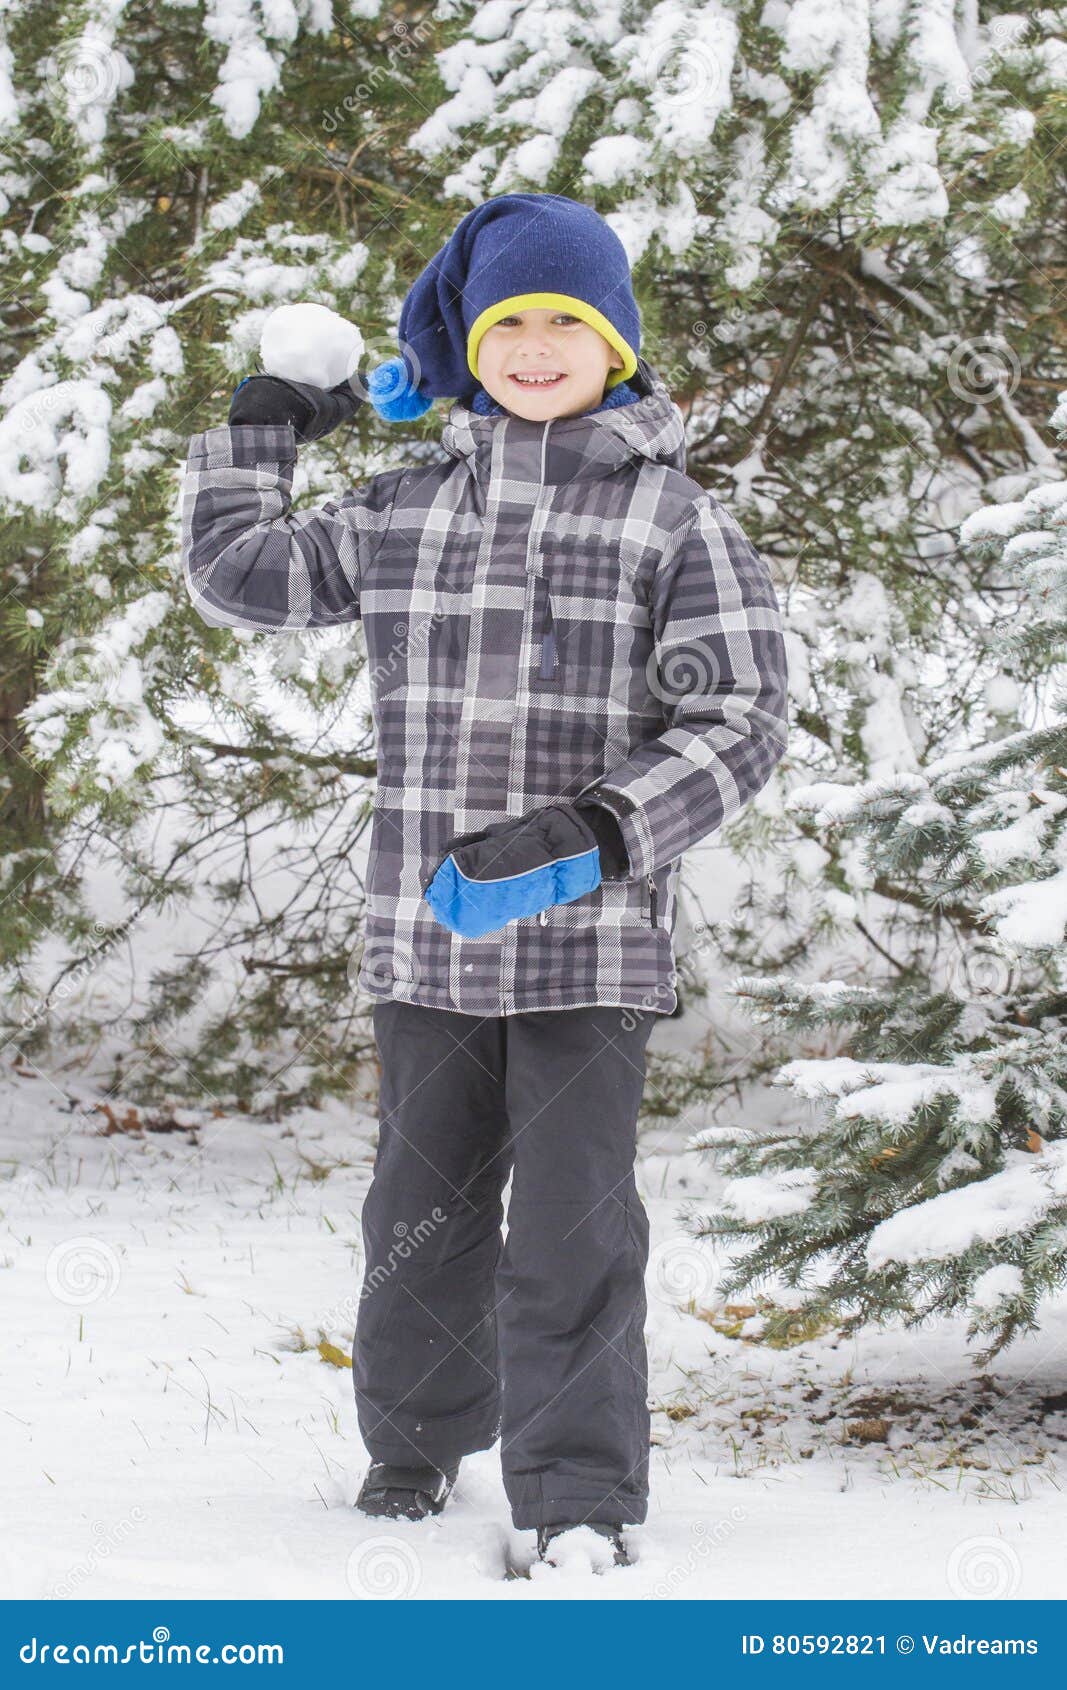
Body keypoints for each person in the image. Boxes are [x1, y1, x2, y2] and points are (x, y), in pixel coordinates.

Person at [180, 192, 789, 1570]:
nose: (532, 346)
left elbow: (740, 718)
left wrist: (592, 832)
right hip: (428, 937)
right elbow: (239, 575)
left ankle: (578, 1495)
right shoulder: (401, 509)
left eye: (563, 322)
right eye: (506, 319)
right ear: (470, 344)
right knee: (422, 1212)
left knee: (575, 1224)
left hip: (590, 945)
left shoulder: (675, 523)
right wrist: (265, 424)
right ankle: (411, 1446)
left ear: (615, 346)